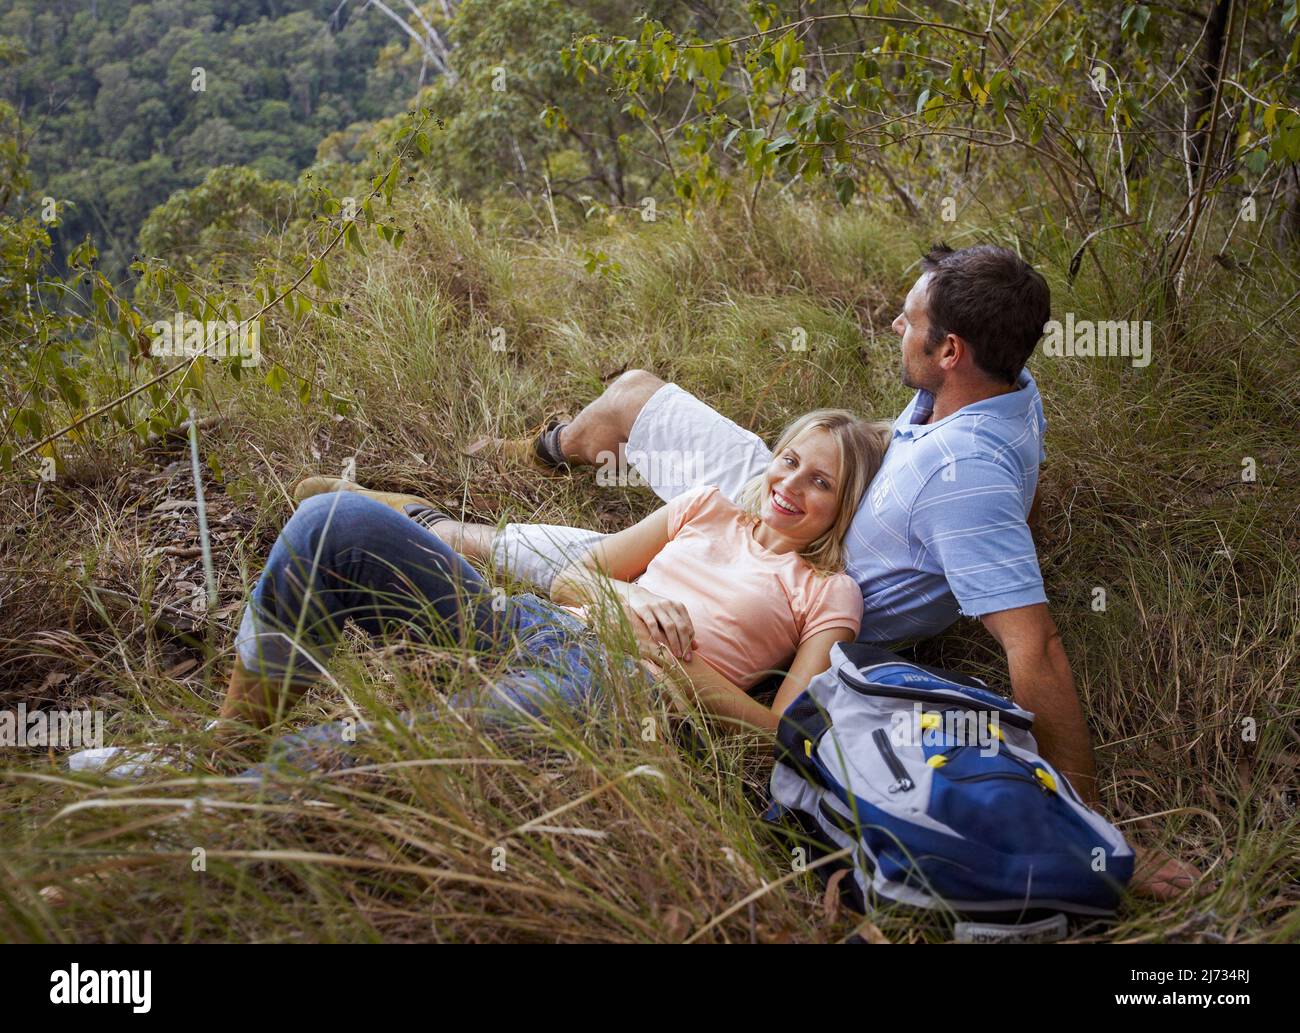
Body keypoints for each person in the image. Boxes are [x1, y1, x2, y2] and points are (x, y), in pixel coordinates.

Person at [322, 243, 1197, 898]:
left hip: (796, 547)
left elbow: (1034, 647)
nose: (896, 325)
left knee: (524, 547)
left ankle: (429, 519)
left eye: (911, 322)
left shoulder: (960, 483)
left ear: (951, 352)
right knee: (629, 395)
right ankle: (543, 449)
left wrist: (1089, 836)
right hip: (811, 485)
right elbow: (1021, 495)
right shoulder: (1005, 385)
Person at [215, 410, 889, 775]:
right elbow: (577, 574)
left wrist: (677, 665)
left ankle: (230, 802)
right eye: (789, 459)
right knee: (332, 524)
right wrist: (630, 603)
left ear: (845, 503)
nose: (790, 485)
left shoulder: (830, 592)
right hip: (539, 625)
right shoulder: (706, 506)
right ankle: (231, 742)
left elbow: (784, 735)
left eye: (820, 483)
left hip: (626, 688)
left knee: (379, 746)